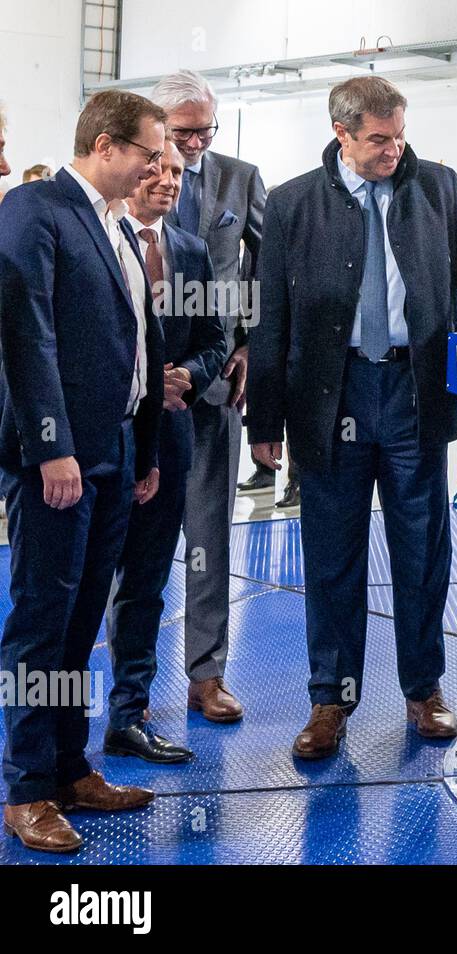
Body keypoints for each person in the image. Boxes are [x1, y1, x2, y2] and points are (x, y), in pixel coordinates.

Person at [247, 76, 457, 759]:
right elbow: (270, 320)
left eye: (400, 134)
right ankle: (330, 701)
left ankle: (424, 691)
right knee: (332, 559)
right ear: (343, 135)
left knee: (422, 552)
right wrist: (265, 419)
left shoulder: (436, 185)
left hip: (414, 390)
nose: (393, 149)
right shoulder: (292, 204)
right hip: (331, 399)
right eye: (378, 139)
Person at [0, 90, 166, 853]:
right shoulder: (36, 209)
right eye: (146, 151)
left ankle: (70, 768)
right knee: (41, 624)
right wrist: (48, 444)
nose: (154, 166)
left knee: (79, 627)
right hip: (59, 458)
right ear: (105, 145)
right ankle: (26, 787)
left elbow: (136, 342)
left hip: (116, 451)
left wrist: (145, 451)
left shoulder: (114, 225)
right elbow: (23, 333)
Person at [104, 140, 228, 764]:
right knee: (86, 582)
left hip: (170, 436)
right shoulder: (96, 238)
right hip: (106, 435)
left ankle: (128, 714)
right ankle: (53, 740)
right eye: (157, 168)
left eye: (178, 173)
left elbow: (213, 337)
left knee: (148, 579)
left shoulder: (189, 251)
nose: (168, 181)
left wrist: (191, 377)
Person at [152, 69, 267, 723]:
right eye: (184, 131)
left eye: (207, 130)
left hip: (215, 384)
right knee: (132, 547)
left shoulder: (239, 177)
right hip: (137, 392)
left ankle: (206, 676)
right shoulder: (135, 177)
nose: (197, 142)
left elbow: (270, 263)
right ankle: (130, 688)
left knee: (208, 539)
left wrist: (251, 343)